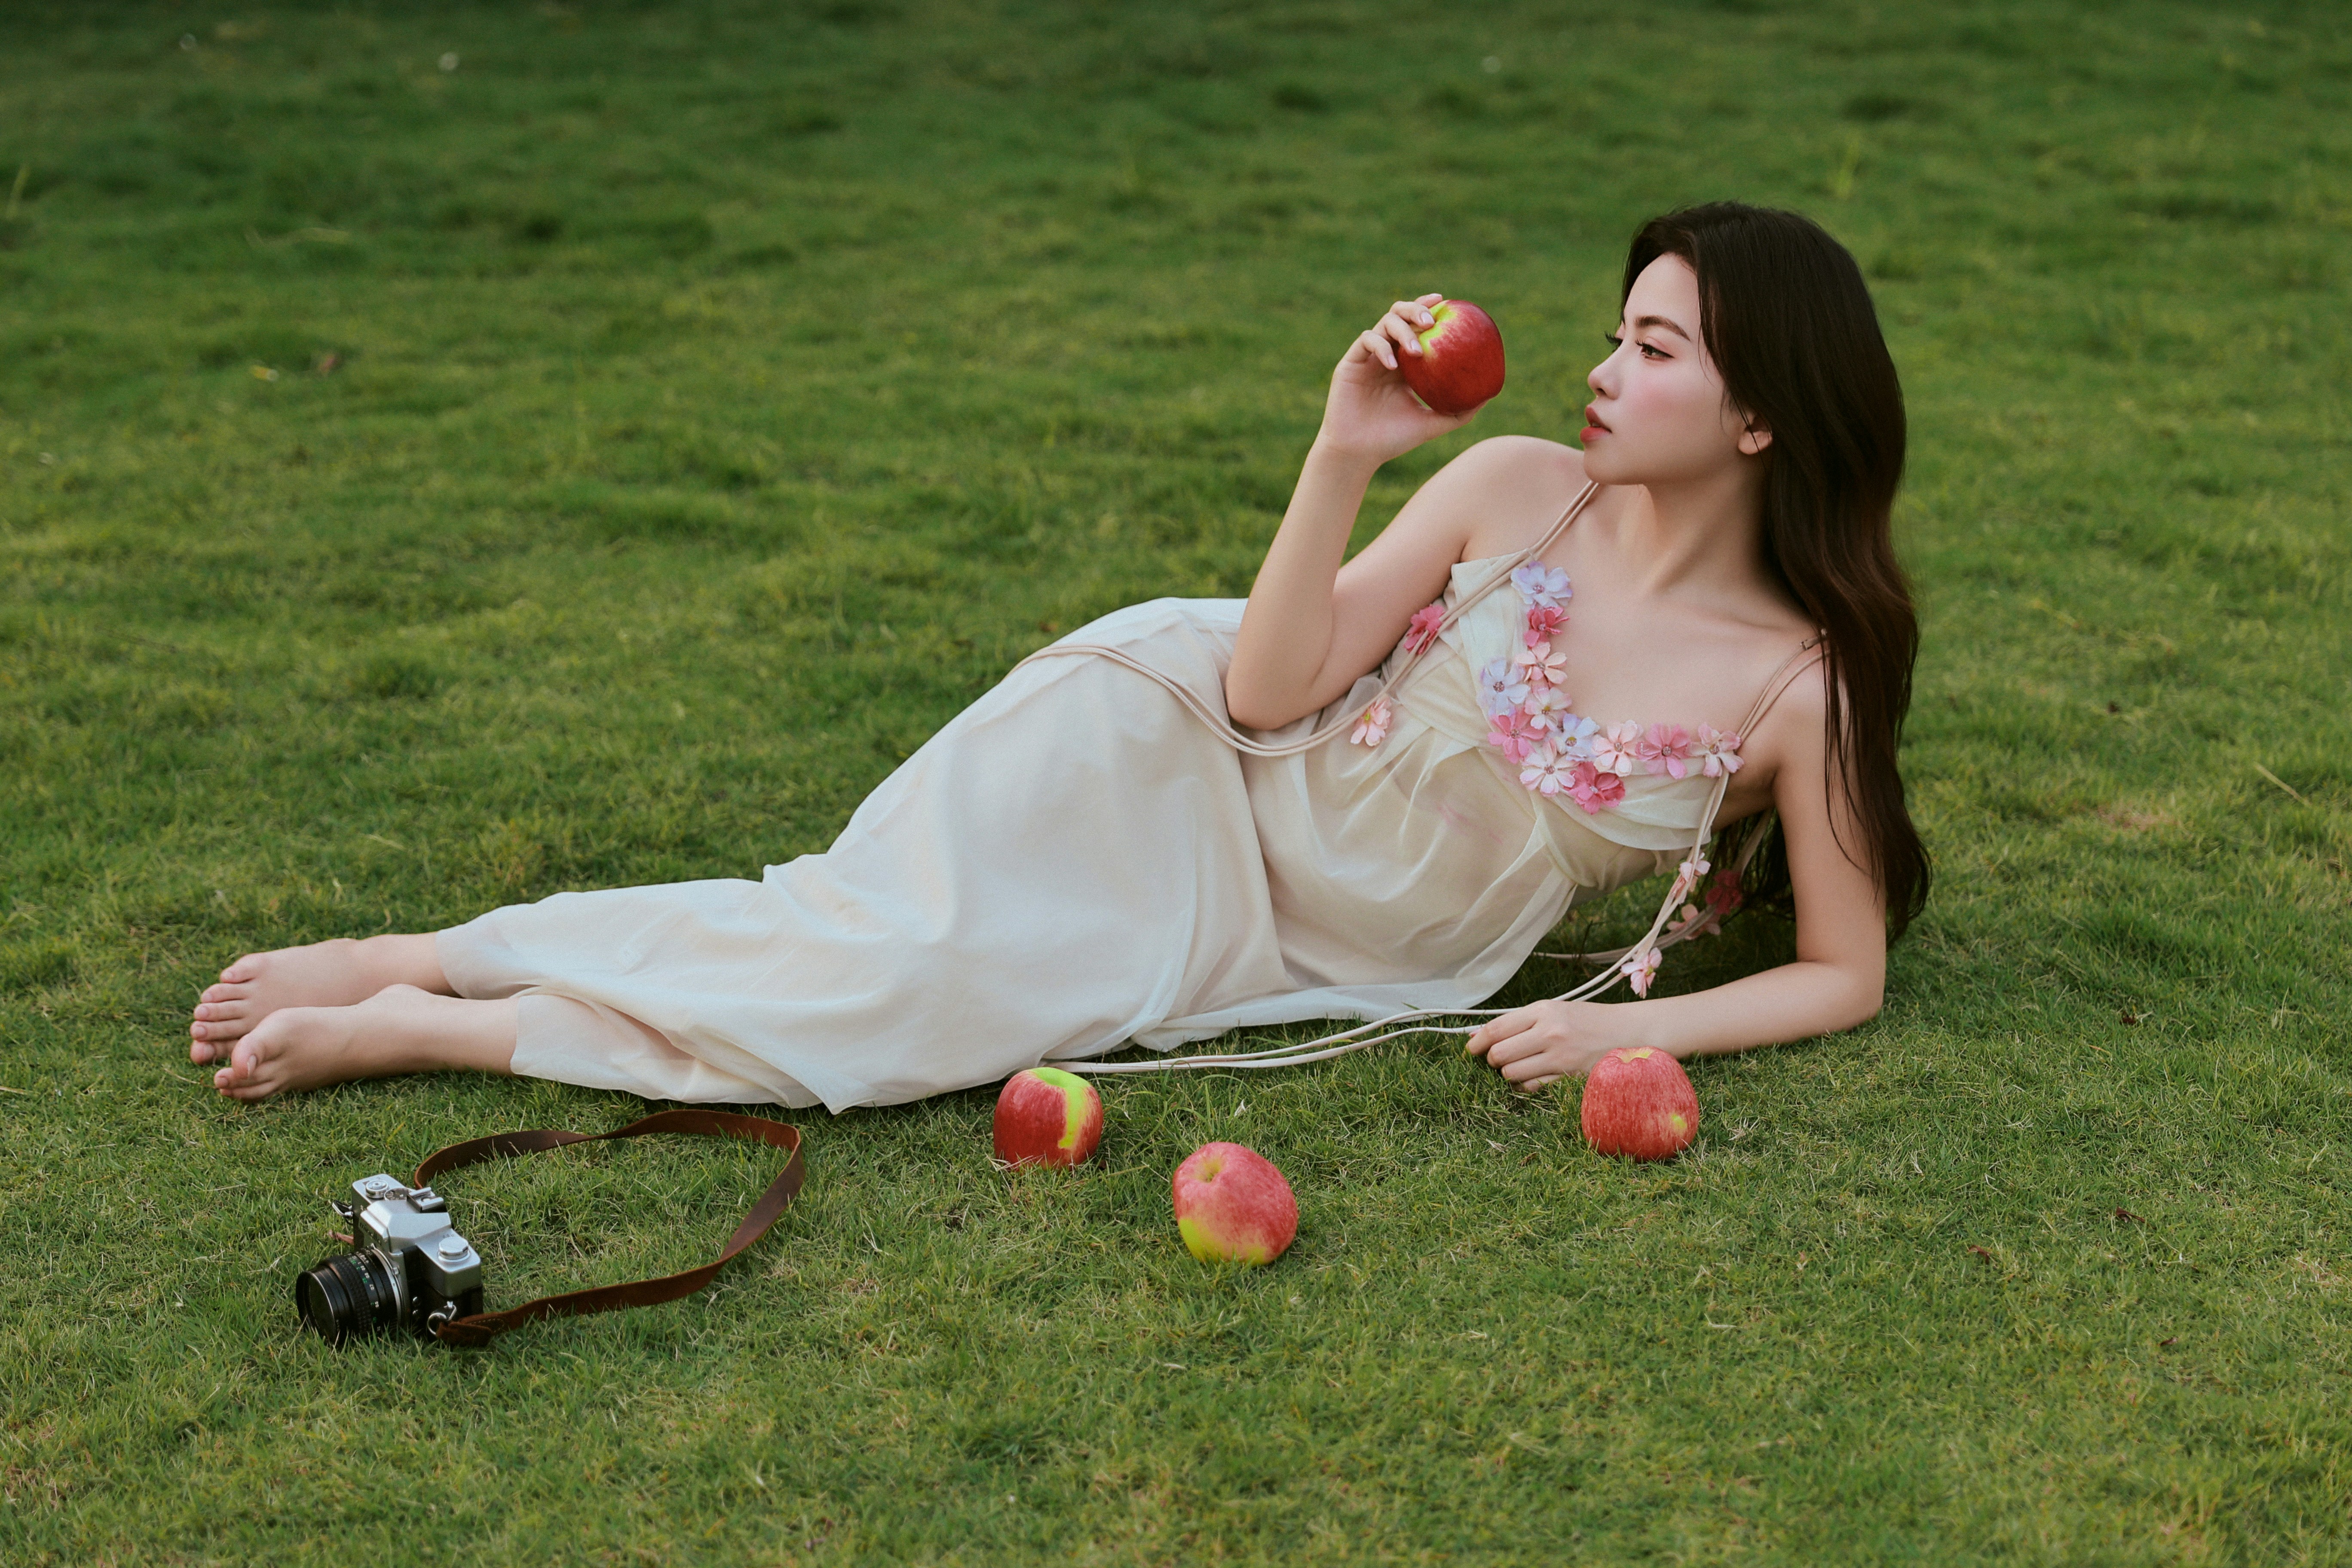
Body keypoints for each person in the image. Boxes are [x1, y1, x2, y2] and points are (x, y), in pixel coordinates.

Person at [187, 202, 1927, 1108]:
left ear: (1763, 413)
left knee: (904, 995)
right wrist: (1343, 450)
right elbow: (1265, 693)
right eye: (1614, 334)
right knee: (861, 937)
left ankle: (447, 1009)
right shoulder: (1515, 488)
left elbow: (1841, 973)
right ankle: (432, 976)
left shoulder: (1798, 689)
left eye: (1654, 347)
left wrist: (1626, 1047)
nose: (1603, 372)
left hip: (1278, 933)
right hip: (1173, 752)